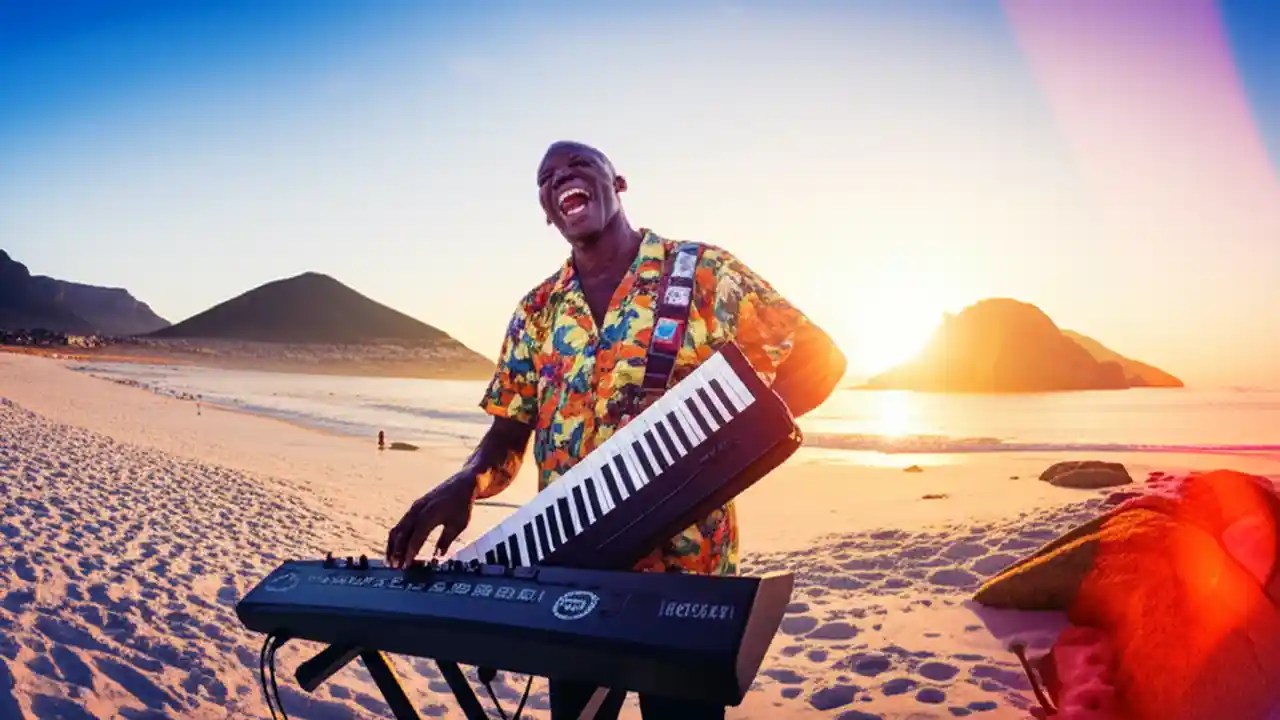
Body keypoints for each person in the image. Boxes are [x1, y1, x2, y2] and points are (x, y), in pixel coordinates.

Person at [385, 140, 847, 719]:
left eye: (579, 165)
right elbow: (508, 435)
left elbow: (818, 360)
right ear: (547, 211)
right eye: (547, 178)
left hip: (688, 571)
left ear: (618, 183)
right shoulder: (537, 310)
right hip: (571, 568)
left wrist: (734, 447)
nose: (562, 177)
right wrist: (468, 482)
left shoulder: (702, 271)